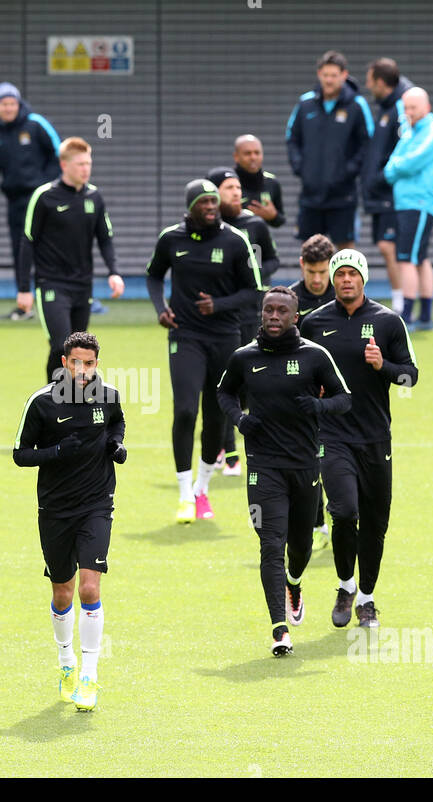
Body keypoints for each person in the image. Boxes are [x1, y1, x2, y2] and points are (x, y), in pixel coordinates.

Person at [217, 288, 350, 656]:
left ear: (295, 317)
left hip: (305, 465)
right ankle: (279, 630)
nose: (273, 316)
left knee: (300, 547)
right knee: (270, 545)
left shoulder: (315, 356)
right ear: (261, 314)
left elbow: (345, 398)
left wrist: (318, 407)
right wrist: (239, 420)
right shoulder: (244, 357)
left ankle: (294, 582)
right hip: (262, 466)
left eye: (281, 311)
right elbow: (224, 393)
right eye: (268, 310)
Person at [299, 250, 418, 630]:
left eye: (353, 273)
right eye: (340, 274)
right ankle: (344, 585)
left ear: (364, 279)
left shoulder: (387, 322)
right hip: (331, 435)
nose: (346, 279)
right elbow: (297, 369)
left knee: (375, 522)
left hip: (374, 438)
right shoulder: (314, 323)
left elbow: (410, 377)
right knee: (344, 511)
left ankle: (366, 598)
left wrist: (384, 366)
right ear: (333, 280)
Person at [13, 332, 125, 710]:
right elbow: (20, 454)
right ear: (64, 362)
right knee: (62, 593)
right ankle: (66, 664)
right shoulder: (42, 403)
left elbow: (116, 424)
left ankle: (90, 676)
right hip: (55, 509)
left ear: (97, 364)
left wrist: (116, 445)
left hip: (97, 504)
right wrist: (58, 451)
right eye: (75, 362)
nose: (82, 370)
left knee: (89, 590)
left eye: (89, 363)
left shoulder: (108, 396)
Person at [146, 179, 263, 524]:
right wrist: (160, 309)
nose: (211, 207)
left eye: (214, 202)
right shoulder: (172, 239)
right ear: (191, 207)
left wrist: (220, 304)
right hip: (185, 335)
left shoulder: (234, 240)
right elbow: (153, 276)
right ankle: (184, 494)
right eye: (204, 203)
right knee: (184, 410)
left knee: (216, 417)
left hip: (225, 337)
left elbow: (253, 290)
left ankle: (202, 488)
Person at [23, 137, 125, 381]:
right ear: (64, 164)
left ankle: (69, 402)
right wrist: (23, 289)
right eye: (79, 164)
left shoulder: (95, 197)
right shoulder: (44, 196)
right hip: (51, 284)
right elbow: (27, 241)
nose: (85, 169)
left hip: (83, 286)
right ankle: (50, 399)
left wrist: (114, 271)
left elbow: (105, 238)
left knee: (79, 350)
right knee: (62, 345)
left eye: (88, 163)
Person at [208, 166, 279, 477]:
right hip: (223, 320)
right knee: (226, 385)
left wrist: (257, 276)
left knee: (254, 385)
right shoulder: (211, 230)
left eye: (238, 187)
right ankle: (230, 452)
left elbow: (273, 259)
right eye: (229, 188)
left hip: (254, 314)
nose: (237, 192)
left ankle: (257, 445)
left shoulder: (255, 224)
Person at [0, 82, 61, 321]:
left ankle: (62, 298)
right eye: (3, 104)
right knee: (21, 251)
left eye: (12, 103)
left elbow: (60, 155)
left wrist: (49, 187)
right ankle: (25, 306)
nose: (8, 108)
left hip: (45, 200)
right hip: (16, 203)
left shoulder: (36, 124)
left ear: (19, 103)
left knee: (53, 248)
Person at [286, 50, 372, 248]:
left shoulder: (357, 105)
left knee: (344, 252)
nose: (329, 80)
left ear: (344, 75)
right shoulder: (305, 103)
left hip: (343, 196)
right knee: (310, 250)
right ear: (319, 75)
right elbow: (292, 138)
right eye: (325, 75)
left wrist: (348, 172)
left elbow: (367, 145)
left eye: (334, 75)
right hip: (310, 194)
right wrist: (301, 168)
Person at [283, 234, 337, 549]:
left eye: (323, 272)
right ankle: (317, 524)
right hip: (302, 399)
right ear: (302, 266)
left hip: (338, 398)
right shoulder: (288, 301)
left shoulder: (345, 296)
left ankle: (339, 513)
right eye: (311, 272)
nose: (317, 279)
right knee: (309, 463)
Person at [383, 87, 433, 332]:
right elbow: (392, 165)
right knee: (419, 258)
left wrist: (396, 167)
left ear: (426, 106)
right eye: (406, 108)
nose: (409, 112)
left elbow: (408, 163)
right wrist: (396, 167)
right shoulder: (410, 132)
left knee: (407, 258)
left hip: (419, 202)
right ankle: (424, 316)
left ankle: (408, 316)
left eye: (413, 107)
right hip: (406, 203)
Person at [362, 58, 414, 316]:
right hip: (379, 193)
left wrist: (383, 176)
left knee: (390, 247)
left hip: (392, 193)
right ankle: (401, 302)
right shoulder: (384, 108)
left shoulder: (400, 109)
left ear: (381, 82)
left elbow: (405, 151)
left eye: (370, 81)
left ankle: (402, 306)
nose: (368, 86)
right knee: (386, 247)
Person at [233, 135, 286, 229]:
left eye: (257, 153)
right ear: (236, 156)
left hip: (261, 241)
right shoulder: (228, 182)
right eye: (247, 153)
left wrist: (273, 216)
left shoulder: (272, 183)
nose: (253, 157)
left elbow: (281, 221)